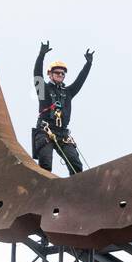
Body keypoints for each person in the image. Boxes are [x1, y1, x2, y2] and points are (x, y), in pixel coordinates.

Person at [32, 41, 94, 173]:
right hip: (45, 130)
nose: (60, 75)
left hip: (62, 133)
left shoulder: (68, 92)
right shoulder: (43, 90)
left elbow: (80, 80)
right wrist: (41, 55)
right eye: (57, 73)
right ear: (50, 74)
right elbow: (37, 75)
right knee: (45, 165)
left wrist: (88, 64)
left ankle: (78, 189)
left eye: (62, 73)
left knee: (76, 166)